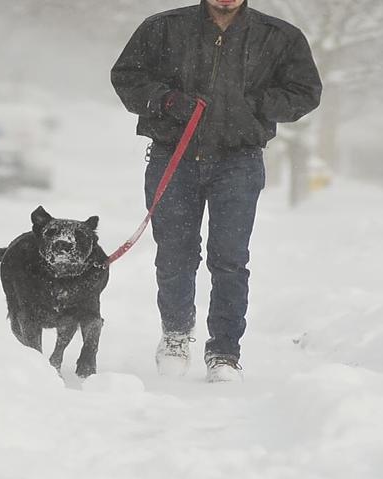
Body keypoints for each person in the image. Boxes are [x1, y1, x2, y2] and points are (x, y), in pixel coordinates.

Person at [111, 0, 323, 381]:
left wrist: (253, 104)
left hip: (238, 161)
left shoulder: (278, 36)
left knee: (229, 259)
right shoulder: (163, 27)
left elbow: (305, 92)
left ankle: (224, 352)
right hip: (172, 156)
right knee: (175, 254)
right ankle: (175, 335)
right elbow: (127, 77)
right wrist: (167, 100)